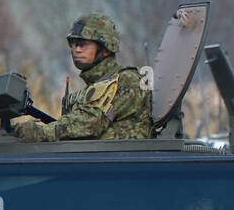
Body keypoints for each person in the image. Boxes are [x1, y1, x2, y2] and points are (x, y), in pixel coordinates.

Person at [13, 13, 153, 142]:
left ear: (105, 48)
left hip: (124, 162)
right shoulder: (97, 86)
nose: (76, 49)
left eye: (83, 44)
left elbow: (90, 122)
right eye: (74, 44)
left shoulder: (127, 80)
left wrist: (41, 132)